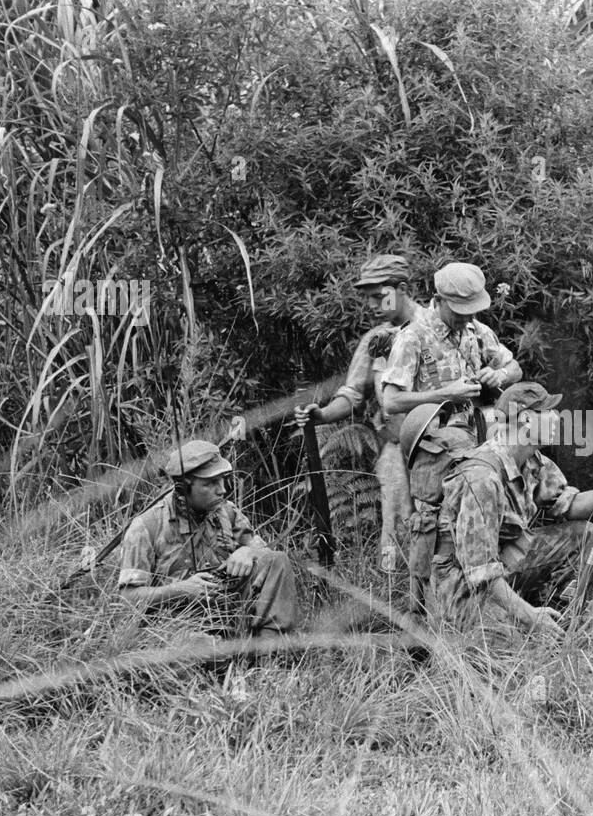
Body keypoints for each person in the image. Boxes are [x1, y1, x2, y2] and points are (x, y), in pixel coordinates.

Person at [431, 382, 593, 641]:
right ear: (527, 419)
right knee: (512, 651)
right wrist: (531, 617)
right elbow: (481, 572)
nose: (556, 417)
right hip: (463, 586)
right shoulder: (481, 479)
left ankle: (566, 615)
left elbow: (570, 505)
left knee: (584, 533)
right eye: (549, 411)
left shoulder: (533, 459)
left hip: (503, 562)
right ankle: (527, 618)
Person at [381, 262, 523, 610]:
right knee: (435, 536)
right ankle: (422, 616)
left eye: (471, 311)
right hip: (432, 453)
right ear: (438, 299)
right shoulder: (413, 337)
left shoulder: (476, 332)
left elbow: (515, 367)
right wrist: (446, 394)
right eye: (459, 311)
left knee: (481, 528)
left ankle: (486, 601)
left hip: (475, 445)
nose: (464, 318)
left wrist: (498, 375)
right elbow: (391, 401)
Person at [294, 254, 423, 572]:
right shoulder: (375, 340)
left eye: (380, 296)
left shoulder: (439, 328)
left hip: (441, 447)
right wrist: (322, 414)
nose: (373, 305)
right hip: (396, 449)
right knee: (396, 526)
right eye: (369, 298)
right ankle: (398, 595)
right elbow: (352, 394)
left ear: (402, 288)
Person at [117, 440, 297, 638]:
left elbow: (266, 556)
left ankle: (270, 655)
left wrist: (247, 552)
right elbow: (128, 599)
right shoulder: (146, 527)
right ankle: (227, 654)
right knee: (198, 647)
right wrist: (180, 590)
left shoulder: (226, 512)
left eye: (222, 479)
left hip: (230, 610)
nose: (222, 489)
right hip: (178, 624)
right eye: (210, 483)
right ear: (184, 487)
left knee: (277, 560)